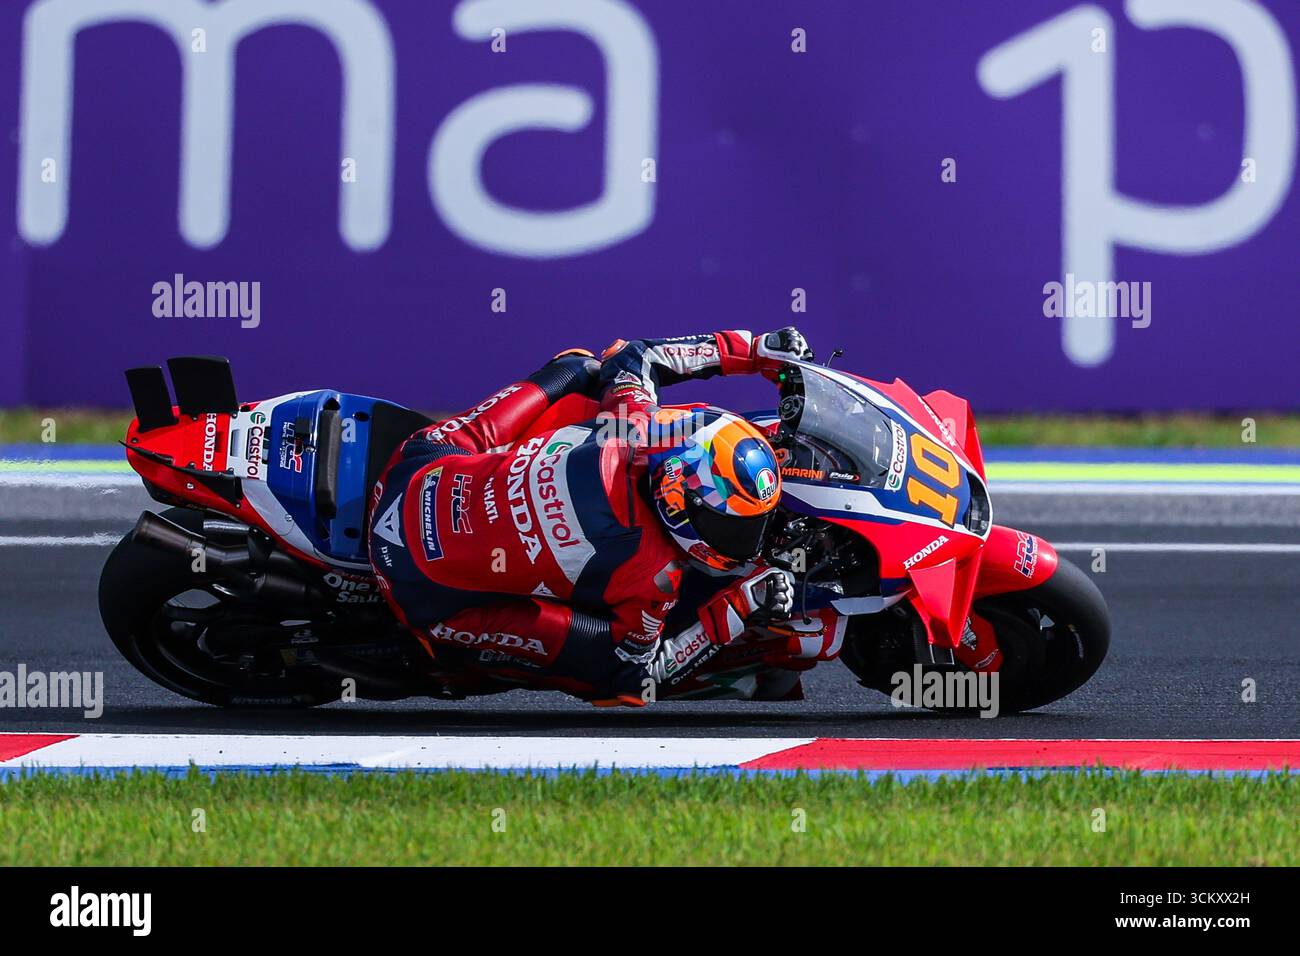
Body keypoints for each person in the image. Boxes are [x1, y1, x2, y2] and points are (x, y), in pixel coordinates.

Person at [366, 328, 814, 705]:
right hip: (425, 596)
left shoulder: (630, 422)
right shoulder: (652, 576)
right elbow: (645, 678)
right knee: (605, 670)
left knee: (580, 367)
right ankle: (466, 668)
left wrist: (756, 350)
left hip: (413, 468)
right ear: (679, 503)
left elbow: (636, 355)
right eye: (735, 526)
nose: (747, 540)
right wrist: (740, 605)